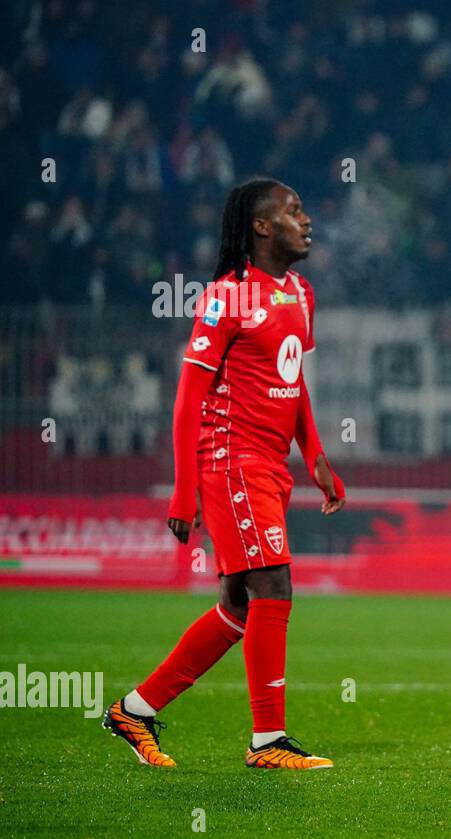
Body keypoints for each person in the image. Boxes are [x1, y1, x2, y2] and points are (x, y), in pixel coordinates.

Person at [103, 179, 345, 770]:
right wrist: (184, 490)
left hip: (271, 465)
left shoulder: (300, 294)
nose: (306, 220)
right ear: (261, 227)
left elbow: (293, 384)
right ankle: (269, 741)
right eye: (294, 211)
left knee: (238, 602)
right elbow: (188, 399)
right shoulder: (228, 297)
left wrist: (315, 454)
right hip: (231, 460)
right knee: (275, 586)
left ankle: (136, 709)